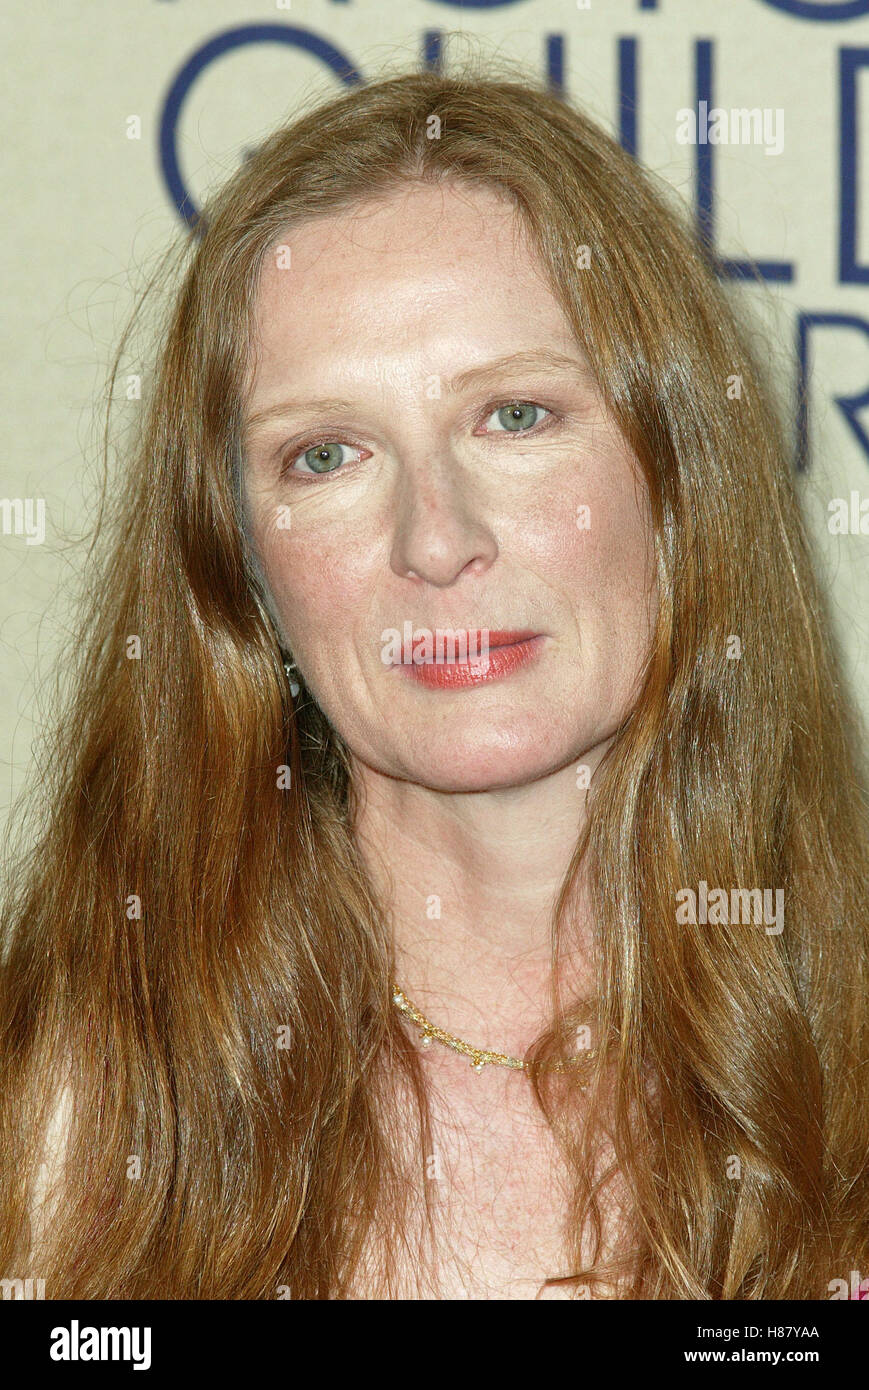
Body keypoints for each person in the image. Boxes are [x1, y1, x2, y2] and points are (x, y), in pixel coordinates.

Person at [1, 58, 867, 1301]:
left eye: (513, 416)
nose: (434, 538)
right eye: (327, 453)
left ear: (677, 479)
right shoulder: (73, 1120)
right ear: (239, 564)